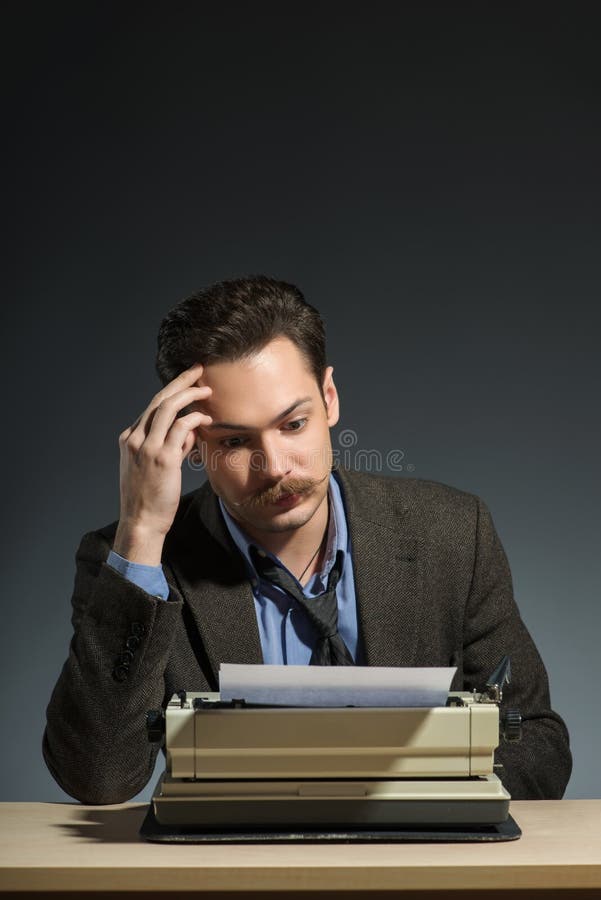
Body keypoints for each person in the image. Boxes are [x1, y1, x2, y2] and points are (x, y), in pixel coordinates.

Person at [43, 275, 572, 804]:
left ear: (330, 398)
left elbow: (540, 747)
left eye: (293, 424)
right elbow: (99, 779)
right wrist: (141, 534)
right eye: (233, 441)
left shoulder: (454, 533)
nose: (274, 468)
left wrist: (391, 816)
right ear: (190, 445)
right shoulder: (132, 562)